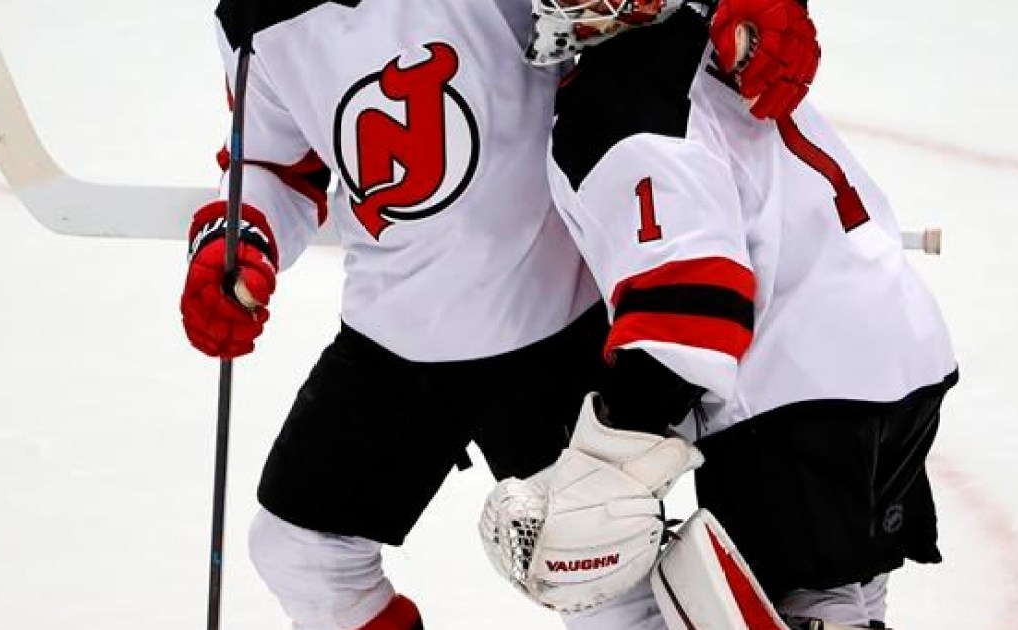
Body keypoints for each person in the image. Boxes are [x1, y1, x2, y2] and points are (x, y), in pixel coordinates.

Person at [480, 1, 959, 628]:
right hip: (899, 354)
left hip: (794, 393)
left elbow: (690, 300)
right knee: (846, 597)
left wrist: (611, 452)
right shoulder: (701, 42)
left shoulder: (620, 96)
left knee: (812, 608)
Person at [177, 1, 616, 628]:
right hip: (393, 341)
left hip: (554, 327)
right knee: (303, 555)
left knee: (601, 580)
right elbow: (274, 163)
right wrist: (238, 235)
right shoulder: (254, 17)